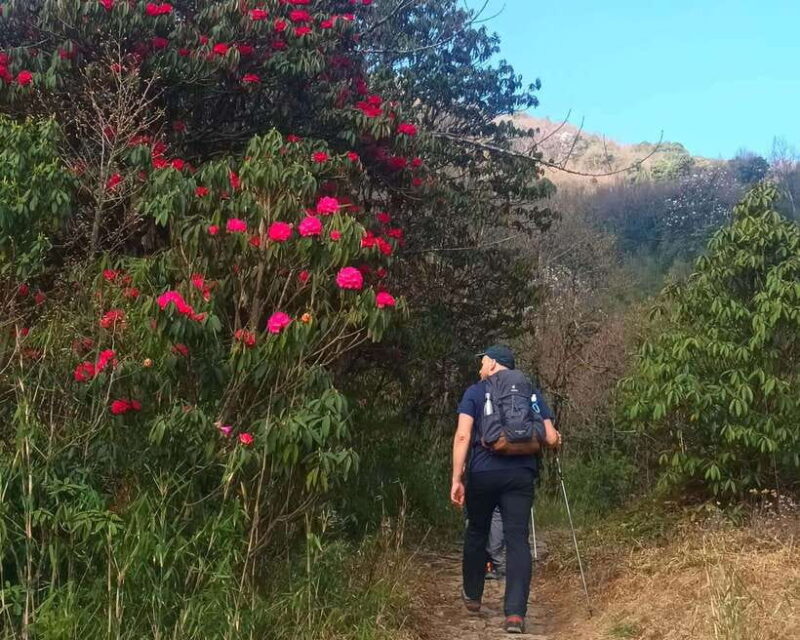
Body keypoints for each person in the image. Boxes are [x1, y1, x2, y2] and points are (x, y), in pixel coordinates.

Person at [451, 344, 560, 634]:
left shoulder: (475, 392)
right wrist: (556, 439)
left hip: (483, 473)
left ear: (494, 364)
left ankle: (473, 596)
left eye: (483, 361)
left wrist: (456, 478)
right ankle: (514, 615)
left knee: (476, 530)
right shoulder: (530, 391)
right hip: (520, 475)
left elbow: (463, 436)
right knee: (517, 539)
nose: (480, 367)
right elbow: (549, 437)